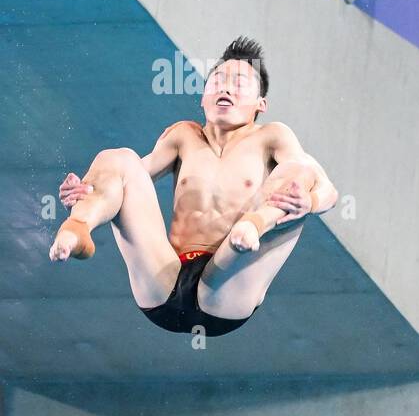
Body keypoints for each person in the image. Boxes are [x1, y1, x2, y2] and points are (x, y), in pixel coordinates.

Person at [48, 36, 339, 337]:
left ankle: (252, 225)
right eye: (217, 81)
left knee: (298, 173)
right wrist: (90, 190)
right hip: (163, 283)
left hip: (228, 288)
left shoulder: (273, 137)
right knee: (119, 158)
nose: (225, 88)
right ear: (202, 97)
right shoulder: (183, 136)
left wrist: (311, 203)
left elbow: (328, 191)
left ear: (260, 104)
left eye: (239, 82)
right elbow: (128, 177)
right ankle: (78, 228)